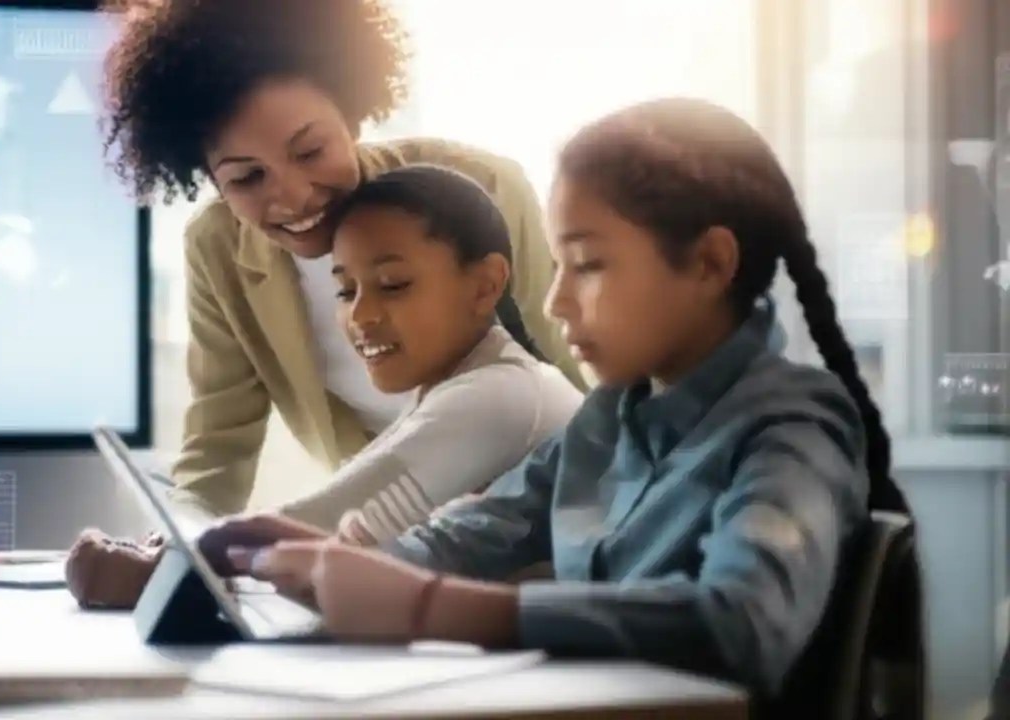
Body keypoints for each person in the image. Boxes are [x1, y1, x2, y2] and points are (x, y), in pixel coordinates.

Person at [199, 98, 913, 701]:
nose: (556, 301)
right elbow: (479, 532)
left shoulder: (789, 429)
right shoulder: (609, 418)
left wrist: (433, 607)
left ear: (708, 263)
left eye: (590, 264)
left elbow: (741, 622)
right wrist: (324, 560)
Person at [65, 0, 583, 608]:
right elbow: (219, 453)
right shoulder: (217, 249)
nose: (292, 195)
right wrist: (170, 540)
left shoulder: (480, 194)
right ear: (208, 178)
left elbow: (569, 370)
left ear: (353, 113)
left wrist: (181, 563)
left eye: (310, 151)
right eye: (246, 178)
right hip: (410, 538)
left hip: (529, 532)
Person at [278, 164, 583, 545]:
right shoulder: (465, 385)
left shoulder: (500, 395)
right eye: (345, 290)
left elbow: (306, 532)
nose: (360, 314)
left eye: (393, 284)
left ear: (485, 285)